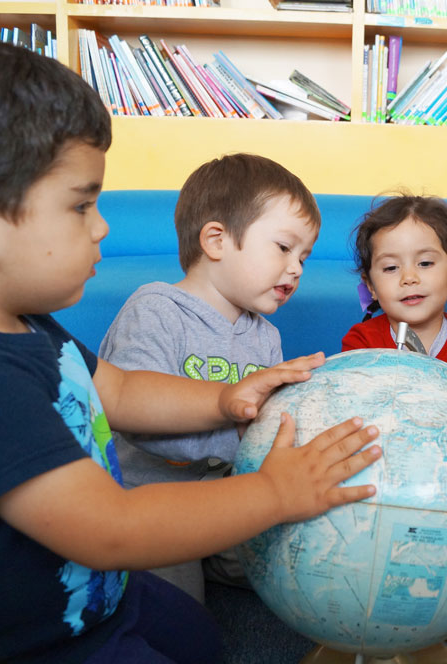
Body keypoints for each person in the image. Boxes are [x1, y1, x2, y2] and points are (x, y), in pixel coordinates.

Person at [0, 33, 382, 664]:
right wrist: (277, 493)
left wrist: (227, 399)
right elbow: (110, 529)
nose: (103, 226)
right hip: (40, 638)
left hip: (104, 593)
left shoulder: (27, 324)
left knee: (200, 638)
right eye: (82, 206)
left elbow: (118, 390)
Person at [99, 153, 319, 603]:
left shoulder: (267, 337)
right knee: (177, 613)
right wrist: (237, 437)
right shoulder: (155, 309)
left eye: (305, 256)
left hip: (229, 497)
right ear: (216, 240)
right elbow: (138, 422)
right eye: (284, 247)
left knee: (303, 560)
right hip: (155, 506)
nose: (296, 268)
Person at [341, 194, 447, 375]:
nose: (409, 277)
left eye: (425, 263)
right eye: (391, 267)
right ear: (370, 286)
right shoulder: (360, 343)